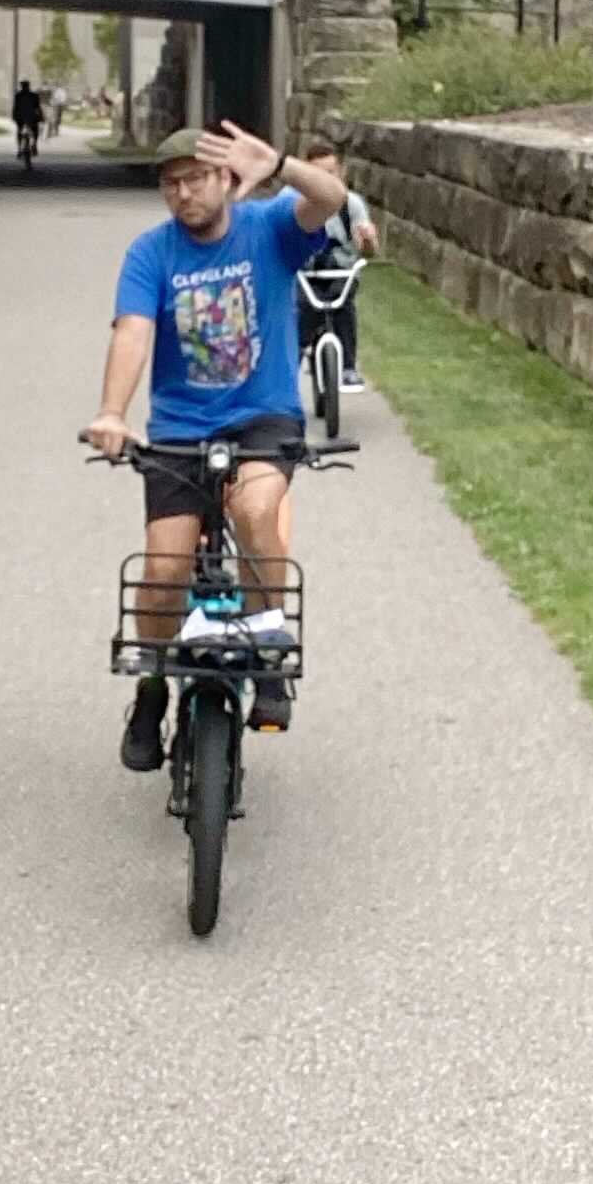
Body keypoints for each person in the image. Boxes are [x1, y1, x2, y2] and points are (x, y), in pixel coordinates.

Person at [84, 122, 346, 763]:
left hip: (263, 418)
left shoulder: (271, 227)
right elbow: (133, 333)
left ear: (226, 179)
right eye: (170, 183)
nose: (183, 194)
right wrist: (113, 413)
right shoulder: (152, 253)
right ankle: (151, 684)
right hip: (180, 428)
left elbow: (332, 199)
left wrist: (281, 163)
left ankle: (266, 642)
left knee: (256, 511)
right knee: (166, 568)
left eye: (196, 178)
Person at [296, 137, 379, 392]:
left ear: (341, 172)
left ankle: (348, 367)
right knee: (300, 315)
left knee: (344, 307)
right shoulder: (294, 204)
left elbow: (369, 249)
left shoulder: (351, 204)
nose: (325, 181)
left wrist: (367, 242)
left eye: (331, 173)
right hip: (307, 274)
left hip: (341, 271)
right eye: (317, 175)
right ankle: (287, 372)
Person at [11, 79, 43, 158]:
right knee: (35, 130)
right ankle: (34, 145)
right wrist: (41, 116)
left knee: (20, 131)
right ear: (29, 86)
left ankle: (20, 149)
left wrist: (14, 116)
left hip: (22, 117)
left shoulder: (18, 95)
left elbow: (15, 107)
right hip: (31, 117)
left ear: (21, 86)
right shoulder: (34, 95)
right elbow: (38, 107)